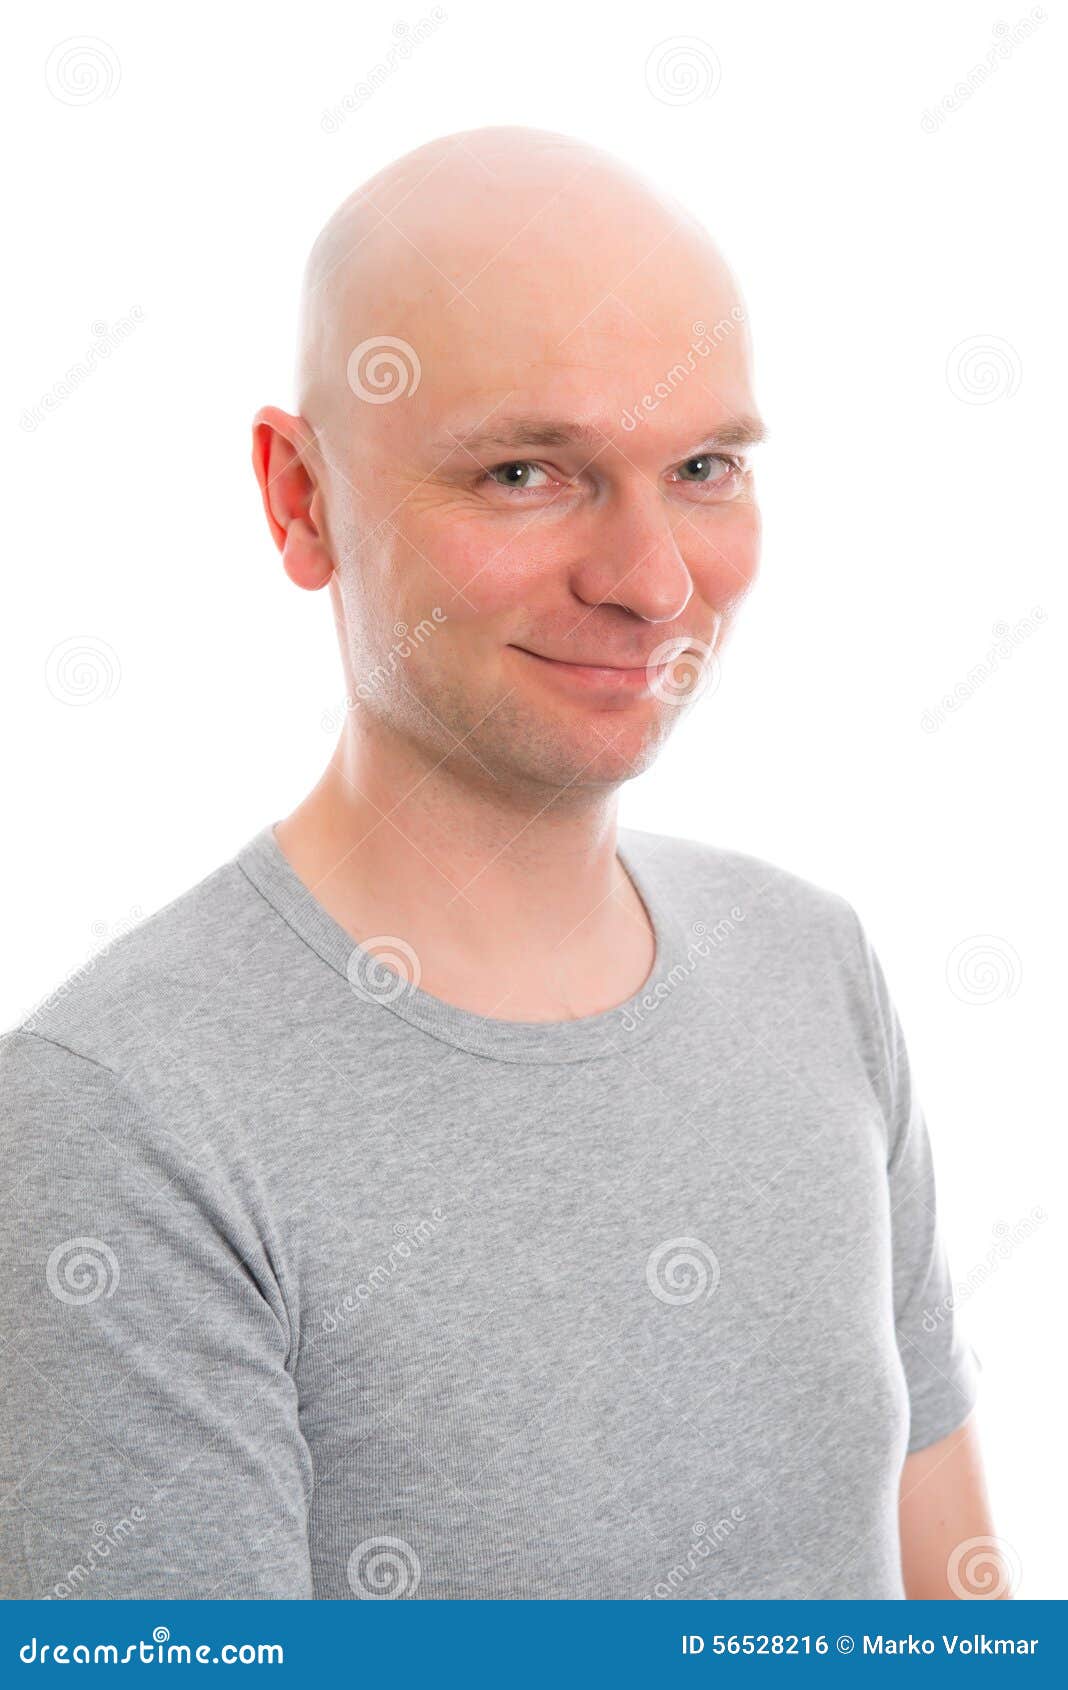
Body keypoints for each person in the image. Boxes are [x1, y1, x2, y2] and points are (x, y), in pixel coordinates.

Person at [0, 126, 1003, 1601]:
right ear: (299, 499)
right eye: (529, 470)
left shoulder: (817, 963)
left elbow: (954, 1606)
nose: (652, 581)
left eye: (705, 466)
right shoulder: (118, 1116)